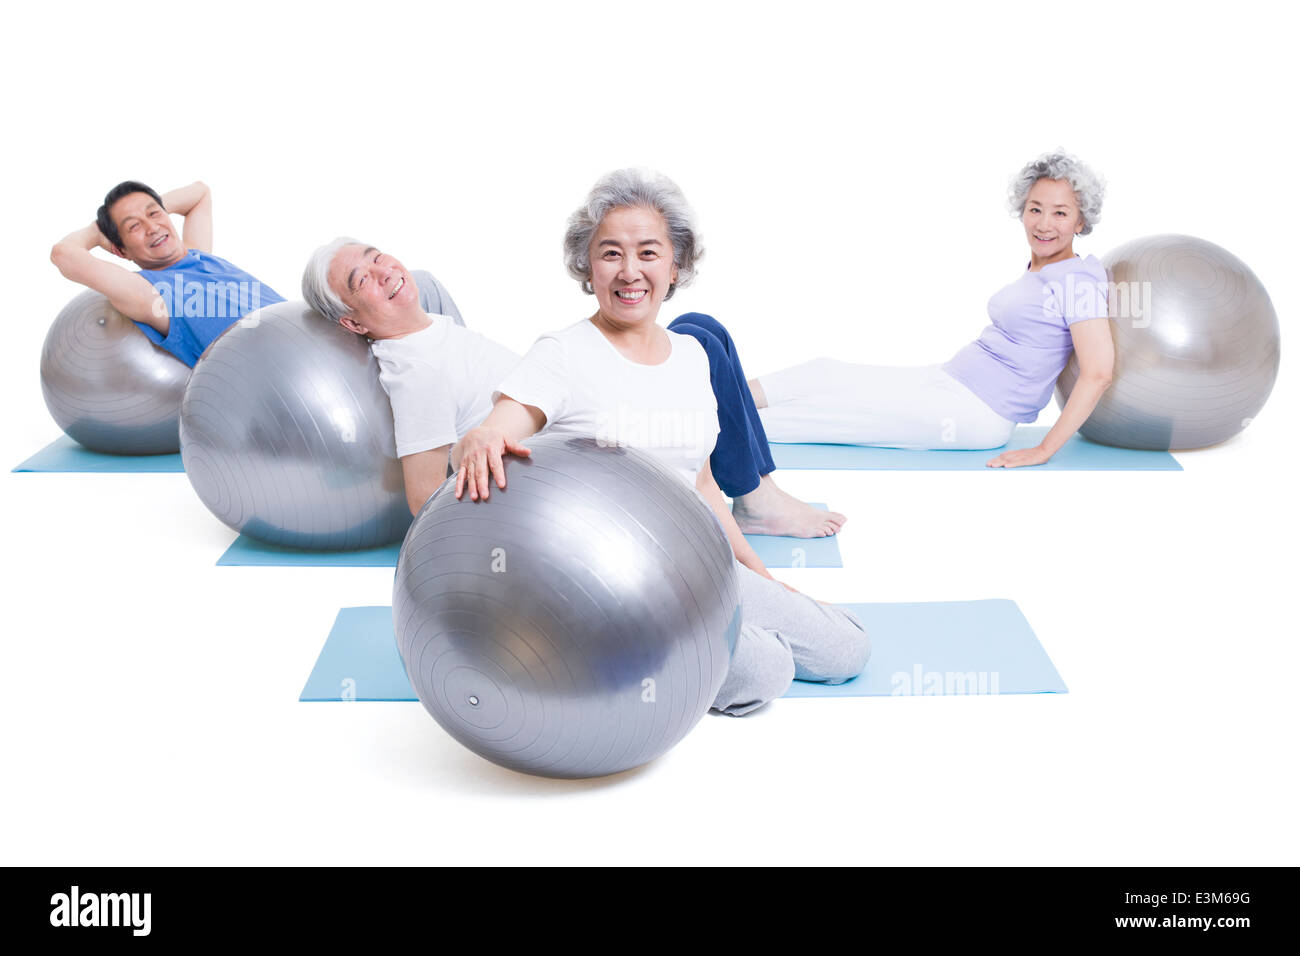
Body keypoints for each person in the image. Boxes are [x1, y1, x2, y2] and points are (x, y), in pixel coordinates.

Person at [452, 169, 870, 716]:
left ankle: (706, 638)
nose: (630, 272)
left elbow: (701, 485)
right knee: (768, 671)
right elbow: (500, 425)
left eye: (648, 253)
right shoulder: (562, 353)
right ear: (587, 266)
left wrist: (764, 581)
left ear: (676, 267)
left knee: (849, 649)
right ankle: (628, 658)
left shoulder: (692, 356)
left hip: (696, 567)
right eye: (610, 254)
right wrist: (482, 436)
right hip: (608, 589)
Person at [301, 238, 843, 536]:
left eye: (377, 256)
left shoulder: (429, 322)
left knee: (702, 333)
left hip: (572, 406)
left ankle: (755, 486)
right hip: (584, 454)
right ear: (353, 322)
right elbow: (424, 502)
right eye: (362, 281)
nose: (384, 271)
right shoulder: (413, 372)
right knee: (699, 333)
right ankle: (753, 497)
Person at [749, 150, 1115, 468]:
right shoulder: (1043, 269)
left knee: (831, 414)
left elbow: (1098, 372)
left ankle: (709, 425)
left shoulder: (1078, 280)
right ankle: (714, 397)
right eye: (1035, 209)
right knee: (822, 373)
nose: (1044, 224)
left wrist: (1044, 449)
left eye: (1061, 213)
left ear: (1081, 221)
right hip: (948, 381)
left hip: (975, 414)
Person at [50, 181, 285, 366]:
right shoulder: (150, 294)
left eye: (154, 215)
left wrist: (144, 210)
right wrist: (98, 229)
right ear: (121, 250)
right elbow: (63, 254)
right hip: (288, 377)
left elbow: (200, 193)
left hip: (308, 339)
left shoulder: (198, 256)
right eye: (134, 227)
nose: (152, 228)